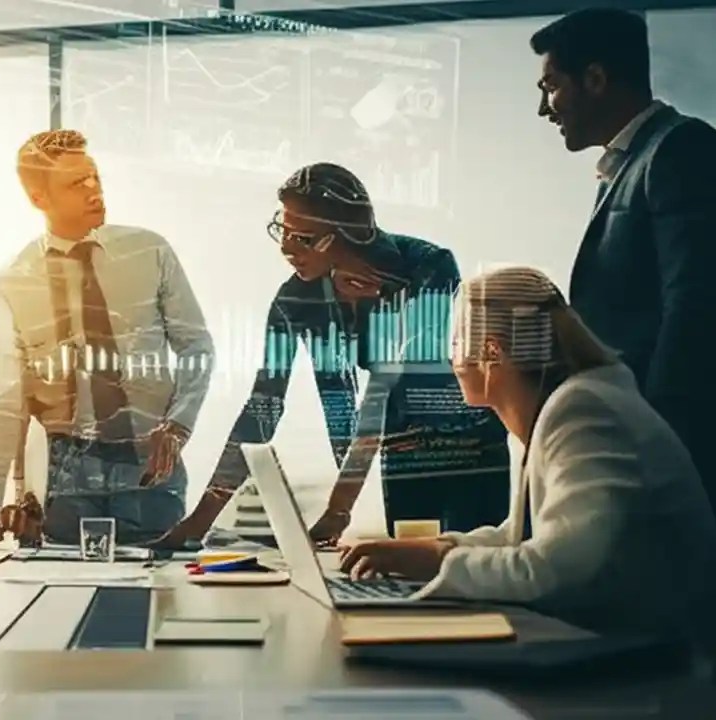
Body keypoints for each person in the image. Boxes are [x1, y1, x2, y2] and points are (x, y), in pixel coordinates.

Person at [339, 266, 716, 648]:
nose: (449, 356)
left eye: (455, 342)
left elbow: (556, 570)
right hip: (630, 644)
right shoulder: (563, 407)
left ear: (491, 352)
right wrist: (434, 550)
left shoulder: (582, 411)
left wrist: (439, 561)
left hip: (667, 673)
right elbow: (522, 538)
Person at [152, 163, 509, 549]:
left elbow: (392, 381)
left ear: (350, 235)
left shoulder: (429, 265)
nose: (287, 248)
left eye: (304, 238)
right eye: (283, 231)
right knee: (413, 578)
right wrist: (200, 522)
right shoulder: (295, 299)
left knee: (471, 569)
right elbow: (262, 408)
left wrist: (340, 507)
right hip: (403, 461)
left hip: (469, 450)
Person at [0, 129, 214, 545]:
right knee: (62, 596)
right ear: (39, 199)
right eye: (76, 183)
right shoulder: (14, 281)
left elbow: (196, 347)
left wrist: (178, 425)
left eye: (94, 177)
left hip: (148, 468)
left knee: (154, 590)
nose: (94, 190)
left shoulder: (149, 252)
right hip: (64, 482)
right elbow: (4, 400)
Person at [531, 9, 716, 518]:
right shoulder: (634, 162)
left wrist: (657, 442)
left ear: (595, 79)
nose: (544, 109)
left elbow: (696, 305)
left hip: (669, 450)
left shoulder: (680, 149)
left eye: (551, 87)